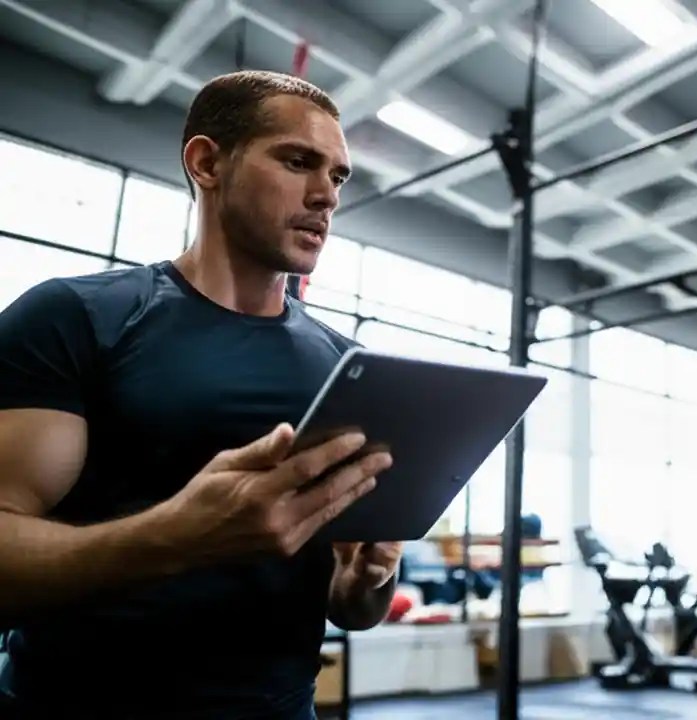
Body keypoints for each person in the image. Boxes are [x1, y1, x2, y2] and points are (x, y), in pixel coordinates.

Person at [0, 70, 402, 718]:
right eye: (298, 161)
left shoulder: (345, 364)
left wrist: (366, 582)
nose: (325, 195)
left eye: (338, 176)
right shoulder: (76, 317)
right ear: (207, 162)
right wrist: (179, 536)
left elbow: (350, 609)